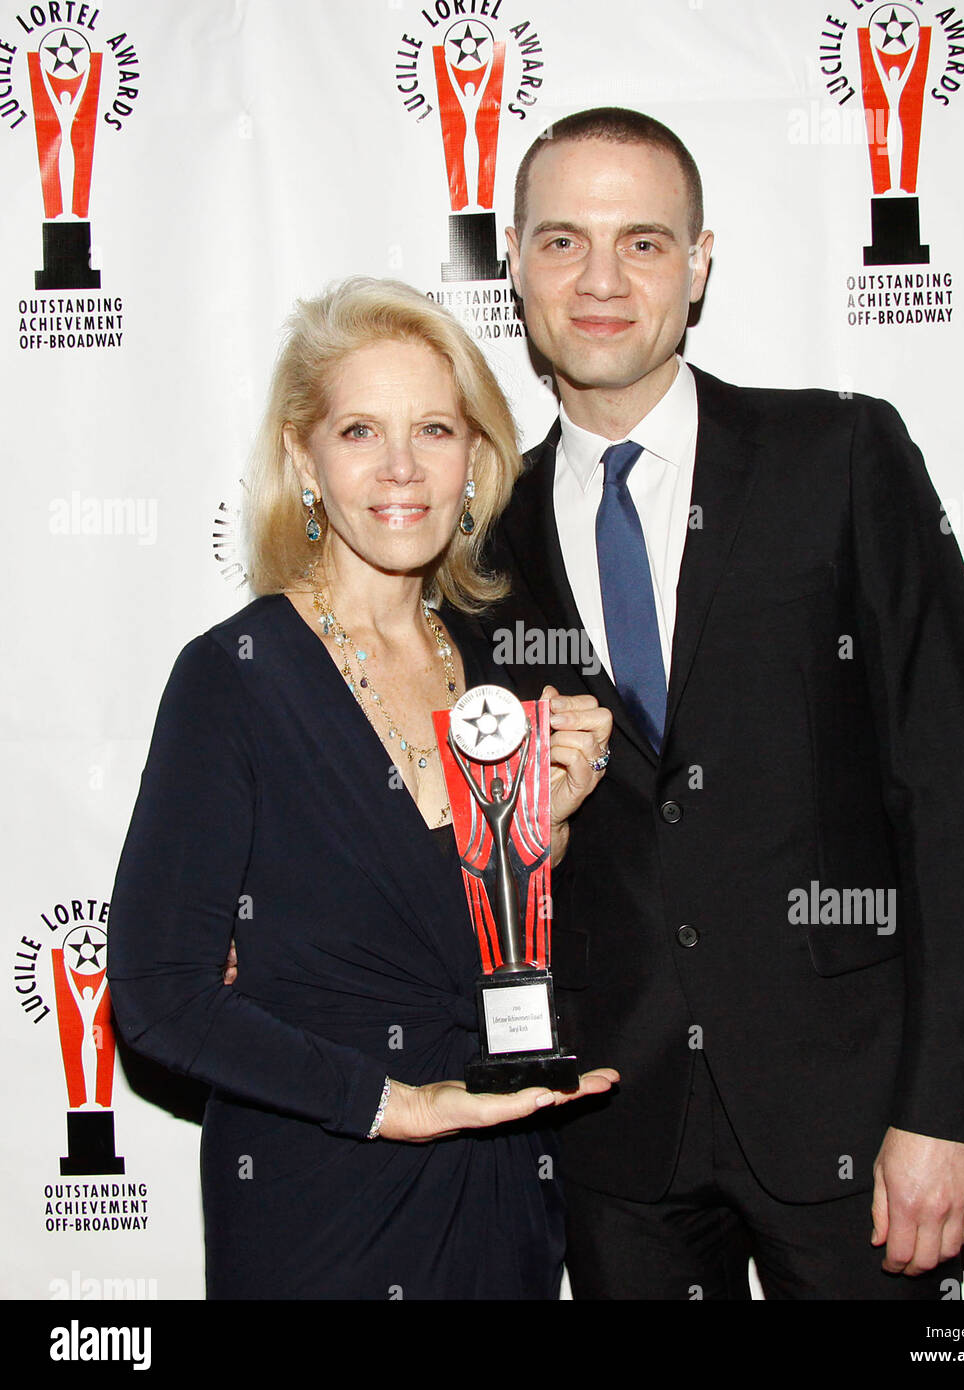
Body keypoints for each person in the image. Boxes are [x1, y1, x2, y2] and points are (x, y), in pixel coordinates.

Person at [488, 108, 964, 1299]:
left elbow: (956, 792)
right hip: (612, 1131)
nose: (604, 280)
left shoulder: (837, 456)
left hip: (856, 1116)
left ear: (701, 262)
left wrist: (950, 1104)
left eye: (644, 241)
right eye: (564, 241)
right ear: (513, 264)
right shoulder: (482, 538)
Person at [107, 277, 616, 1300]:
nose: (400, 468)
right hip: (324, 1195)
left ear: (476, 457)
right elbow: (160, 997)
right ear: (304, 458)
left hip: (503, 1194)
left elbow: (481, 939)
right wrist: (395, 1102)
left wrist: (548, 836)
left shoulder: (502, 672)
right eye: (358, 431)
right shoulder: (236, 676)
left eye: (434, 428)